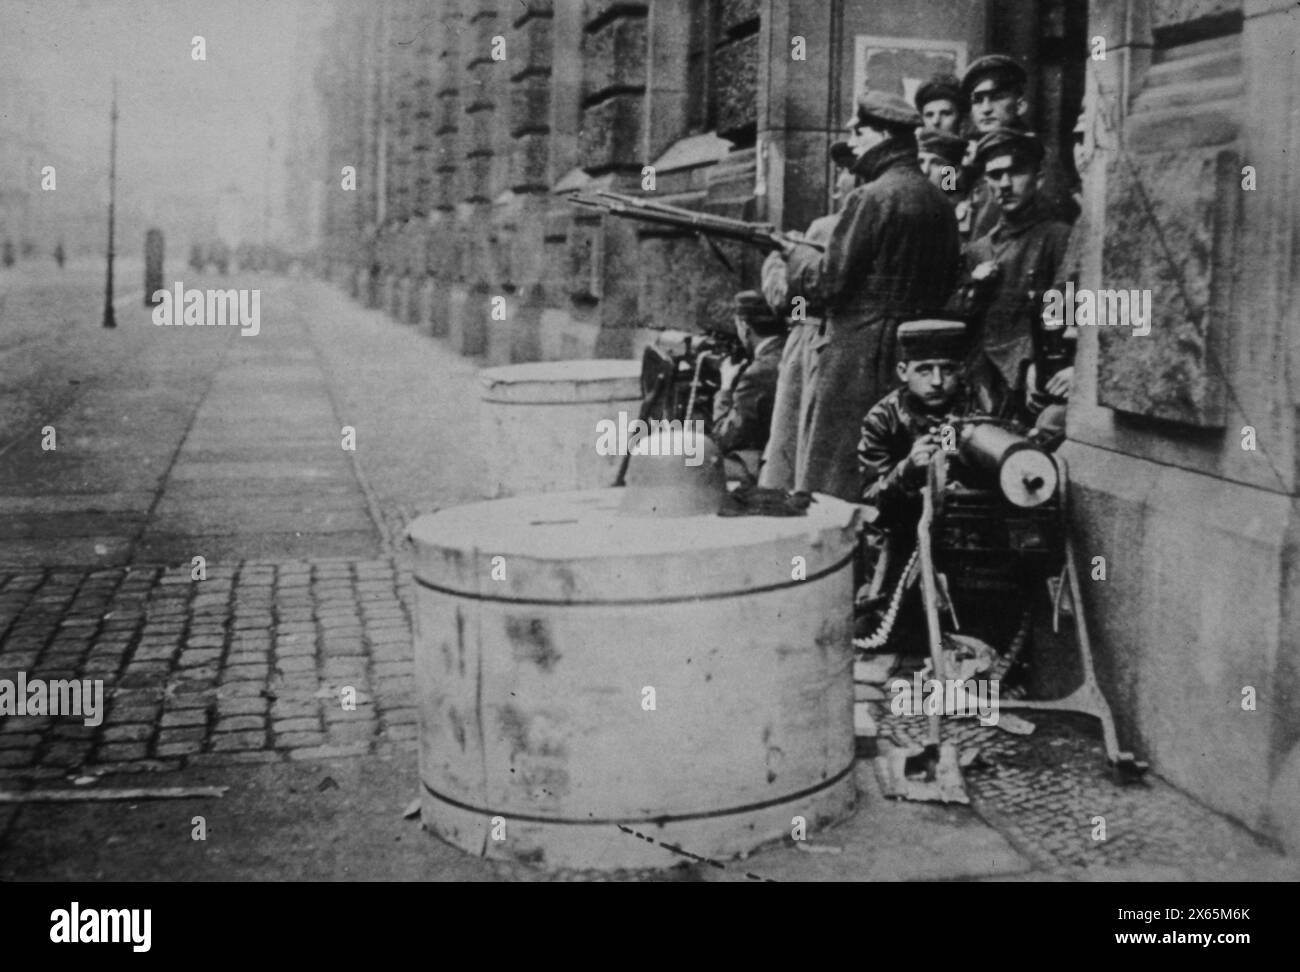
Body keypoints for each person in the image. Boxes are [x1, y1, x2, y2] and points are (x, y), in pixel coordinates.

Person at [775, 89, 961, 501]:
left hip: (860, 356)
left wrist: (796, 254)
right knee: (903, 472)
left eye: (859, 131)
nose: (853, 140)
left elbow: (827, 284)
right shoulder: (940, 202)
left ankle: (842, 561)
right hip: (915, 358)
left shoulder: (871, 196)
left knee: (842, 476)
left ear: (883, 136)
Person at [757, 142, 857, 491]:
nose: (839, 182)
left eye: (845, 172)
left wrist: (776, 260)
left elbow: (788, 298)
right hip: (843, 340)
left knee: (793, 443)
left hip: (812, 340)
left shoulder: (826, 227)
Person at [962, 127, 1074, 435]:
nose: (1005, 184)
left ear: (1037, 178)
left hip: (1034, 382)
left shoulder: (1058, 237)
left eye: (1016, 173)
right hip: (983, 382)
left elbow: (1066, 312)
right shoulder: (978, 250)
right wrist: (974, 289)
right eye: (996, 176)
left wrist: (1042, 364)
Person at [858, 319, 1004, 529]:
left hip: (975, 524)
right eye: (924, 370)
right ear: (902, 371)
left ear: (961, 370)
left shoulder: (984, 405)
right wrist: (904, 472)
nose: (937, 381)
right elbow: (870, 503)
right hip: (908, 529)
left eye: (947, 370)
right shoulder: (883, 418)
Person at [961, 54, 1078, 240]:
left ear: (1020, 105)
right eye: (978, 100)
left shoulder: (1038, 158)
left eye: (997, 97)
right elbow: (951, 200)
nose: (986, 108)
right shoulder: (969, 159)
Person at [711, 291, 786, 480]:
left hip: (768, 467)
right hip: (786, 455)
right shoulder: (790, 352)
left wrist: (725, 389)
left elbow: (724, 439)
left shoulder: (756, 374)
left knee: (694, 461)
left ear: (745, 327)